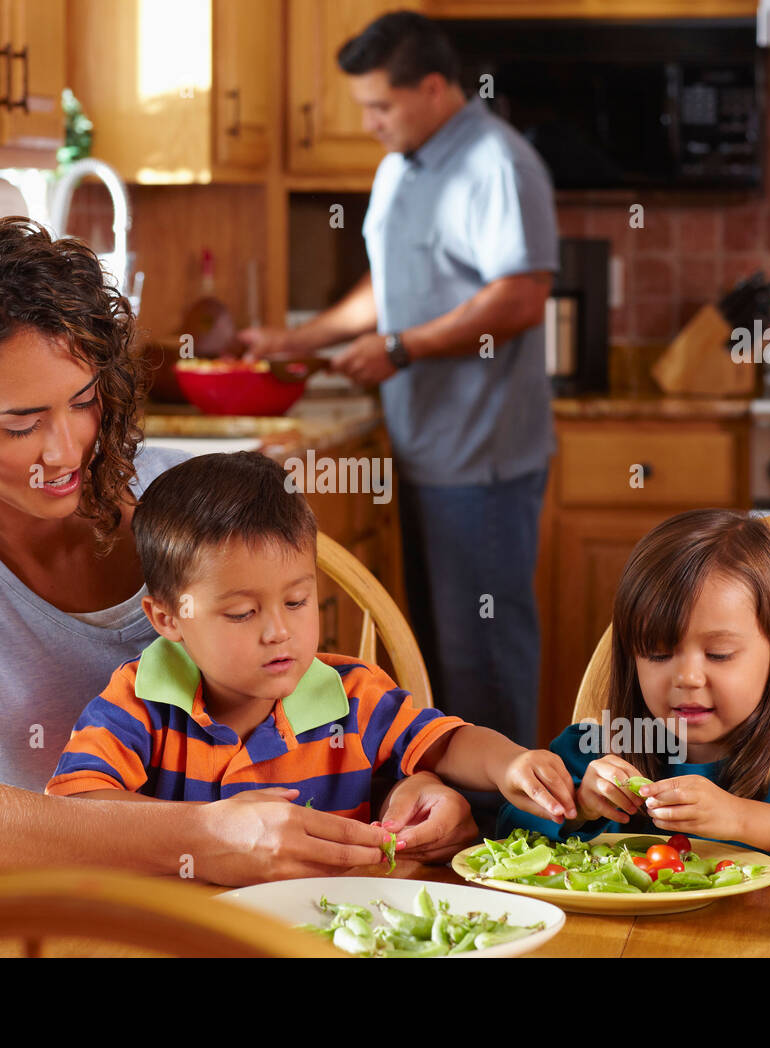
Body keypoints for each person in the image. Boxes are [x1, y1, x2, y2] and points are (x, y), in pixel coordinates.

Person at [0, 216, 479, 886]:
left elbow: (313, 708)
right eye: (23, 423)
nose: (66, 449)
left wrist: (405, 788)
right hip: (29, 908)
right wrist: (205, 835)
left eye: (83, 402)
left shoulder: (185, 494)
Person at [240, 12, 557, 768]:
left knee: (481, 656)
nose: (369, 122)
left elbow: (520, 295)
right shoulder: (401, 166)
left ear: (437, 88)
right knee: (442, 656)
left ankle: (519, 834)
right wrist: (299, 340)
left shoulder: (494, 162)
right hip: (420, 445)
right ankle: (463, 831)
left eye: (381, 105)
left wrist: (401, 349)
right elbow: (390, 286)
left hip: (481, 455)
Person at [45, 452, 576, 839]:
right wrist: (205, 829)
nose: (277, 631)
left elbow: (449, 742)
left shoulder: (355, 695)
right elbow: (78, 806)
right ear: (167, 618)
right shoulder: (140, 704)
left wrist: (510, 762)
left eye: (297, 602)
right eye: (242, 613)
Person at [497, 509, 770, 854]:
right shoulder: (599, 749)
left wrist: (741, 818)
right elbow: (506, 836)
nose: (687, 678)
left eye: (719, 654)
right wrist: (579, 810)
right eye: (657, 653)